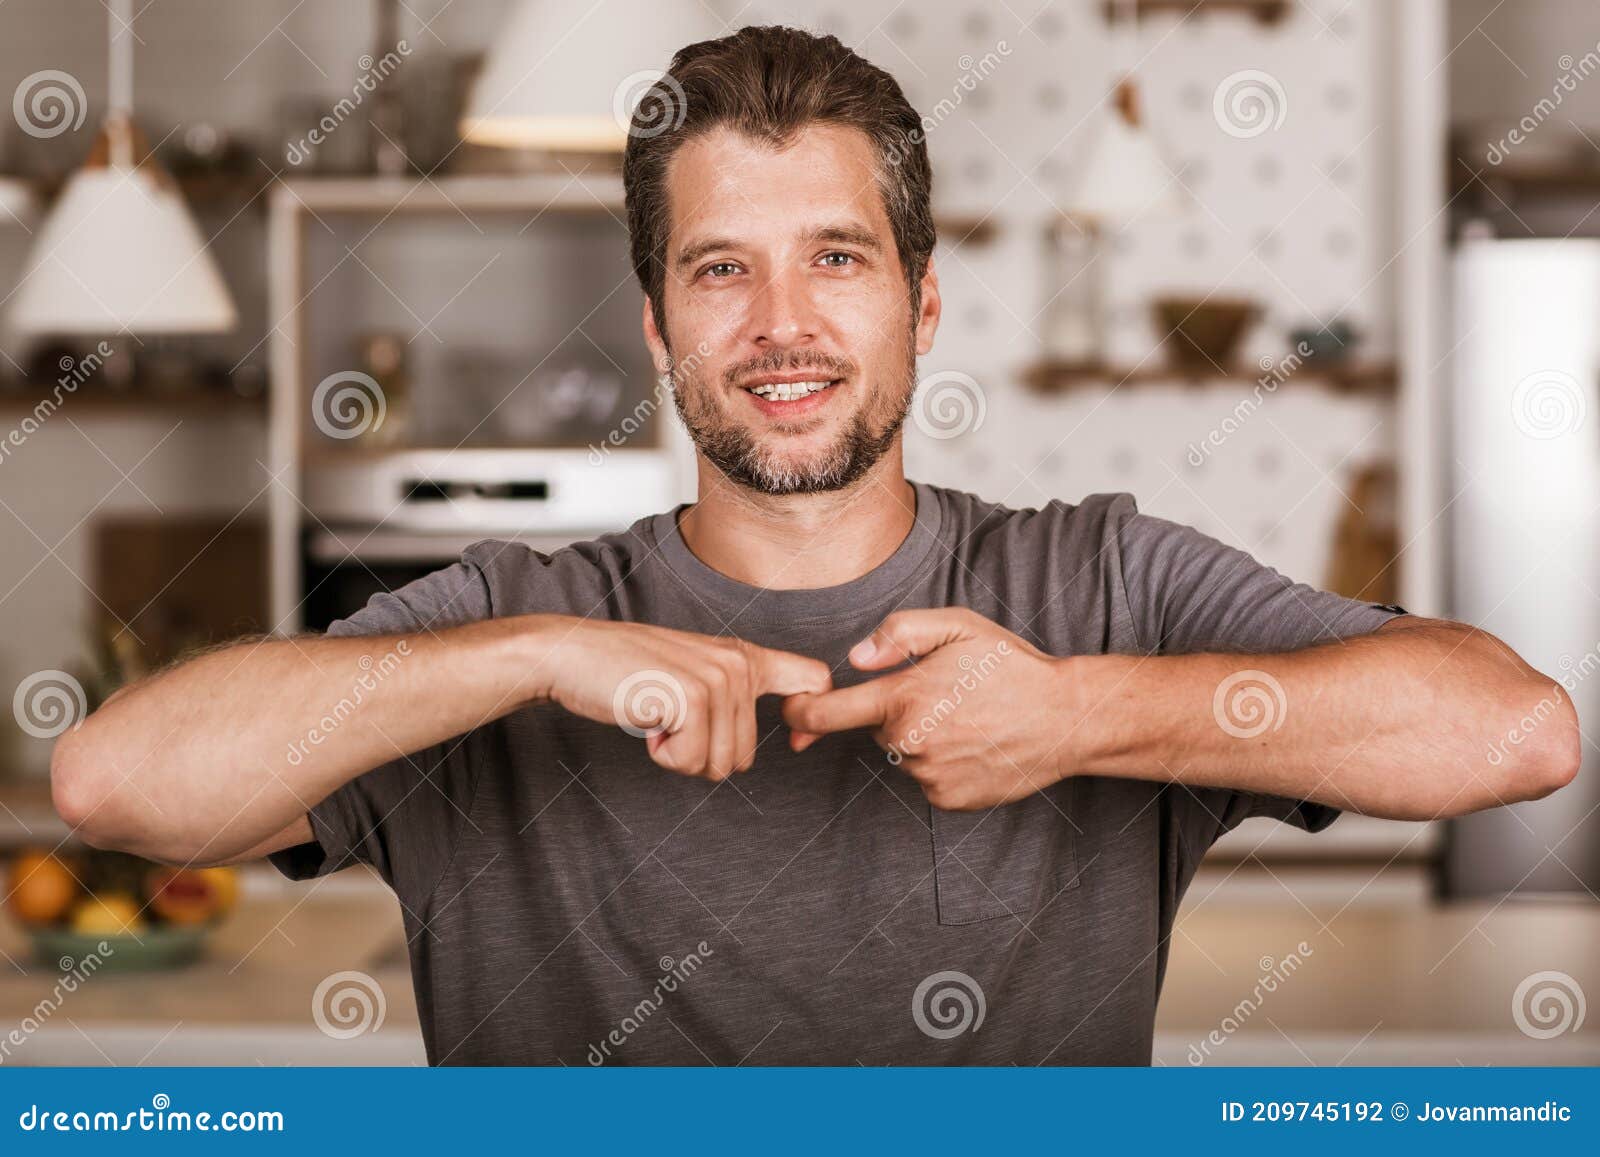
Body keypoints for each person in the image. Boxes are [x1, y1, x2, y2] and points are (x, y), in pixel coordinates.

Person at [51, 25, 1578, 1066]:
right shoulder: (515, 617)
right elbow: (114, 784)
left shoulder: (1100, 584)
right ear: (656, 327)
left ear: (921, 304)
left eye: (836, 258)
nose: (782, 326)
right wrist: (534, 656)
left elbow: (1514, 733)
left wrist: (1081, 712)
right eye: (722, 270)